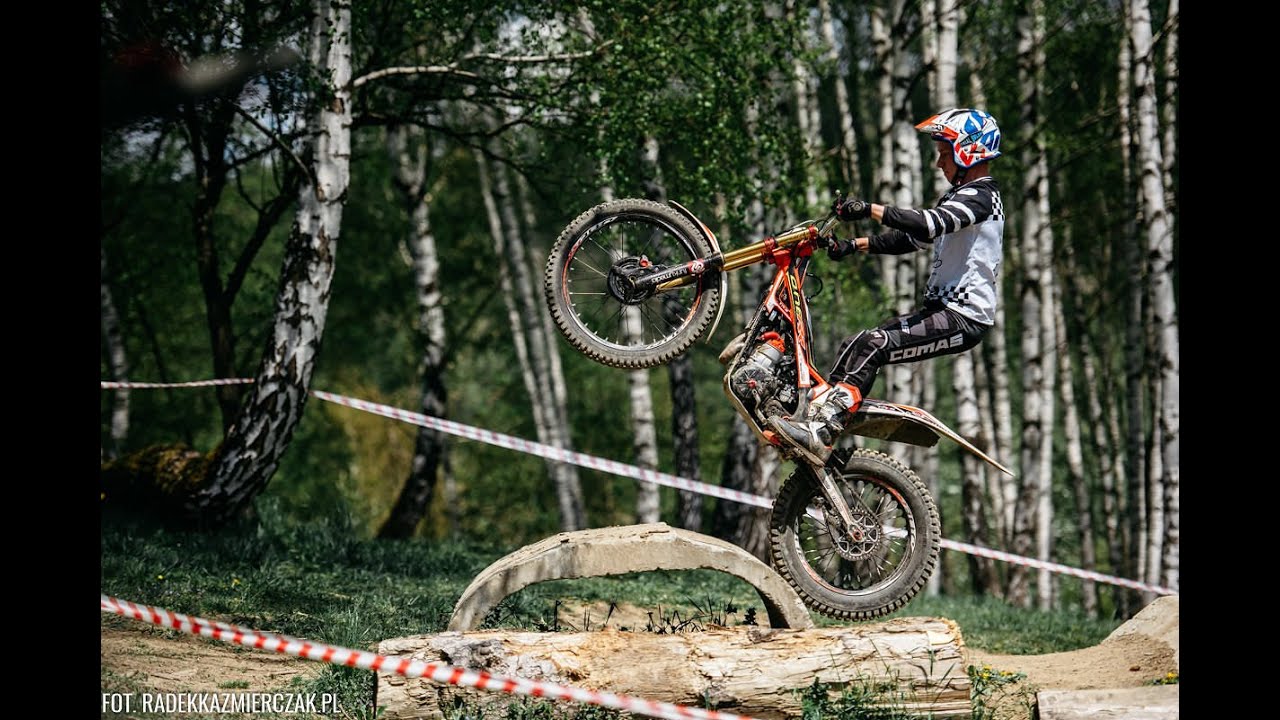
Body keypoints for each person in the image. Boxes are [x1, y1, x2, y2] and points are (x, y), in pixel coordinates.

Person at [769, 107, 1006, 466]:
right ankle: (820, 423)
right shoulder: (963, 198)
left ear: (967, 151)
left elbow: (927, 225)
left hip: (963, 318)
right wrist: (854, 246)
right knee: (856, 344)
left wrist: (869, 209)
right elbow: (912, 241)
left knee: (872, 344)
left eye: (944, 153)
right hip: (945, 312)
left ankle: (824, 429)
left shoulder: (981, 197)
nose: (939, 163)